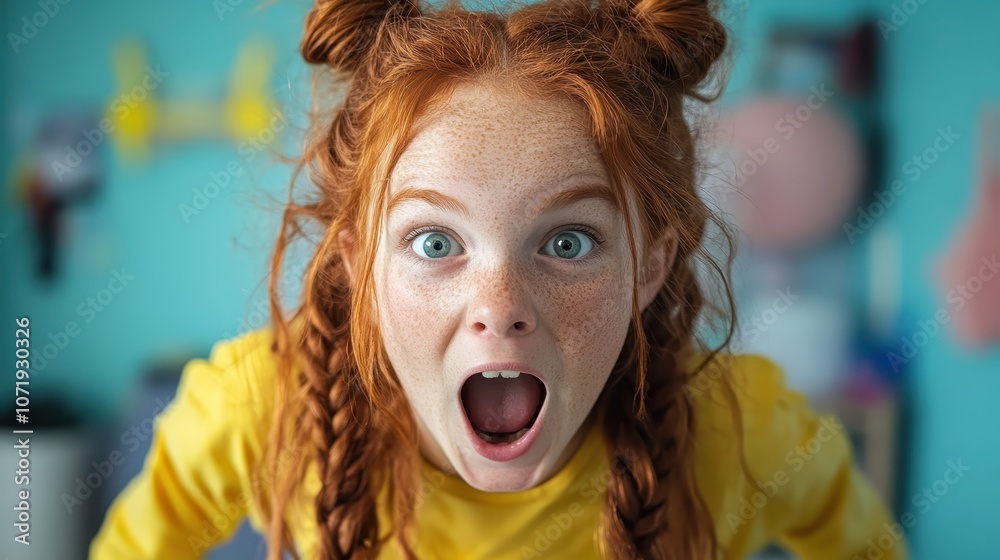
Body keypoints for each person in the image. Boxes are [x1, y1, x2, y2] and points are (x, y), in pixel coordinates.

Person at [90, 0, 907, 558]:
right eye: (436, 241)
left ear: (651, 265)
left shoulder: (740, 432)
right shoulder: (258, 408)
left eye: (570, 242)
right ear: (357, 265)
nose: (500, 309)